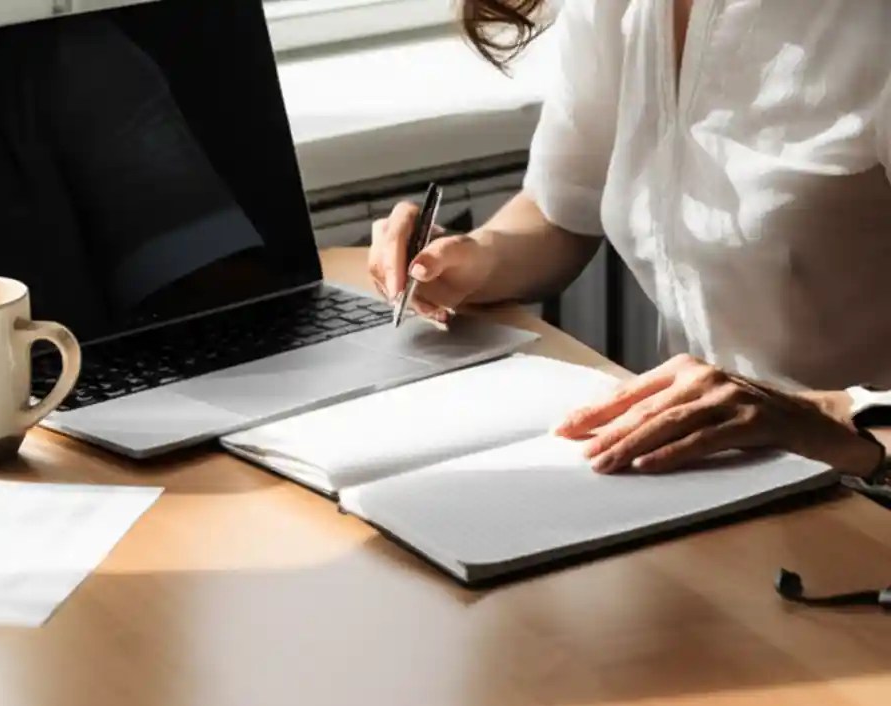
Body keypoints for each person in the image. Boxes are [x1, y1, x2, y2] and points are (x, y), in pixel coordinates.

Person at [369, 0, 891, 479]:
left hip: (861, 484)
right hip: (710, 469)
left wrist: (826, 416)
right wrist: (477, 257)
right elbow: (560, 211)